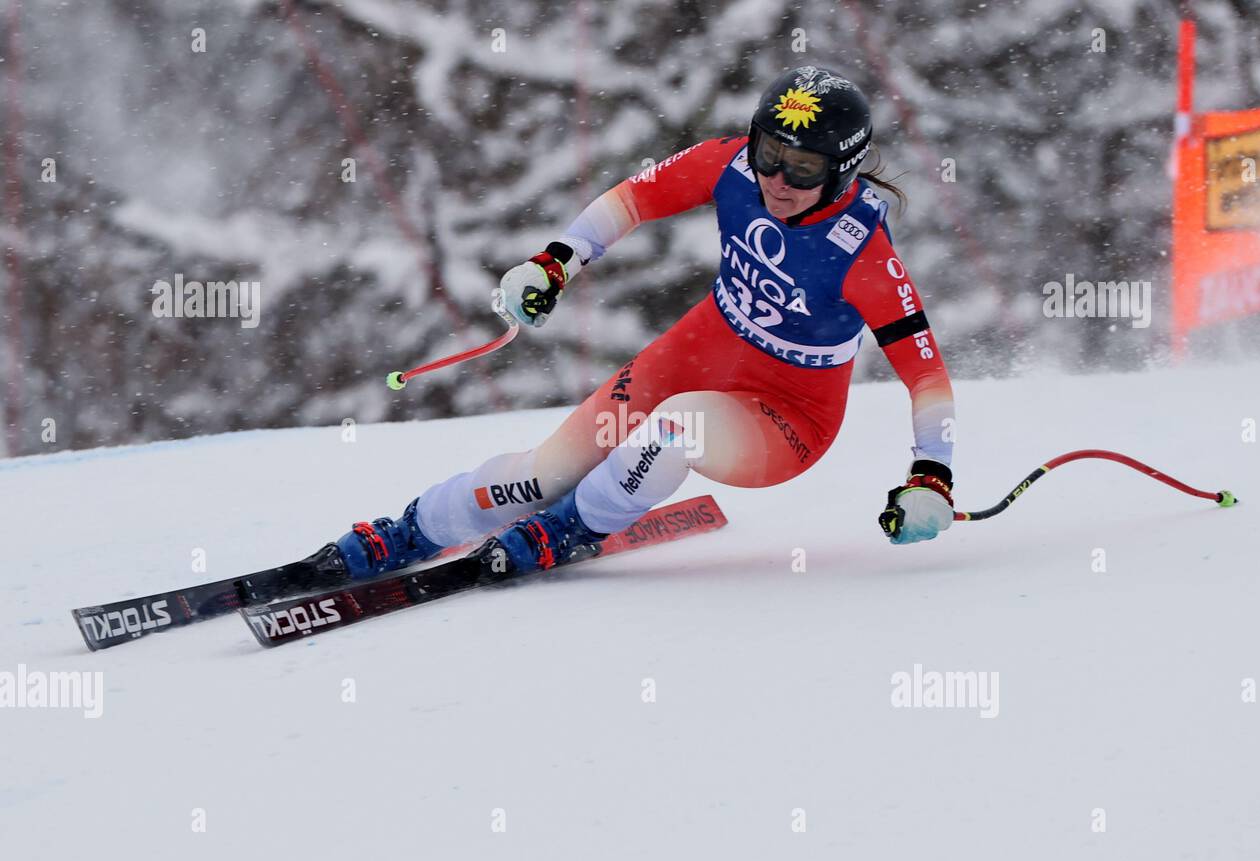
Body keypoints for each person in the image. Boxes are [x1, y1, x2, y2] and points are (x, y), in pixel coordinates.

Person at [323, 65, 956, 582]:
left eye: (805, 169)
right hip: (703, 347)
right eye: (771, 153)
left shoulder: (863, 252)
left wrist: (932, 476)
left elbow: (927, 376)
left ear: (842, 169)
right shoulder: (730, 165)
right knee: (543, 471)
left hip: (789, 414)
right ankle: (411, 532)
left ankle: (572, 527)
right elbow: (629, 200)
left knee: (674, 433)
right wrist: (555, 264)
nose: (778, 180)